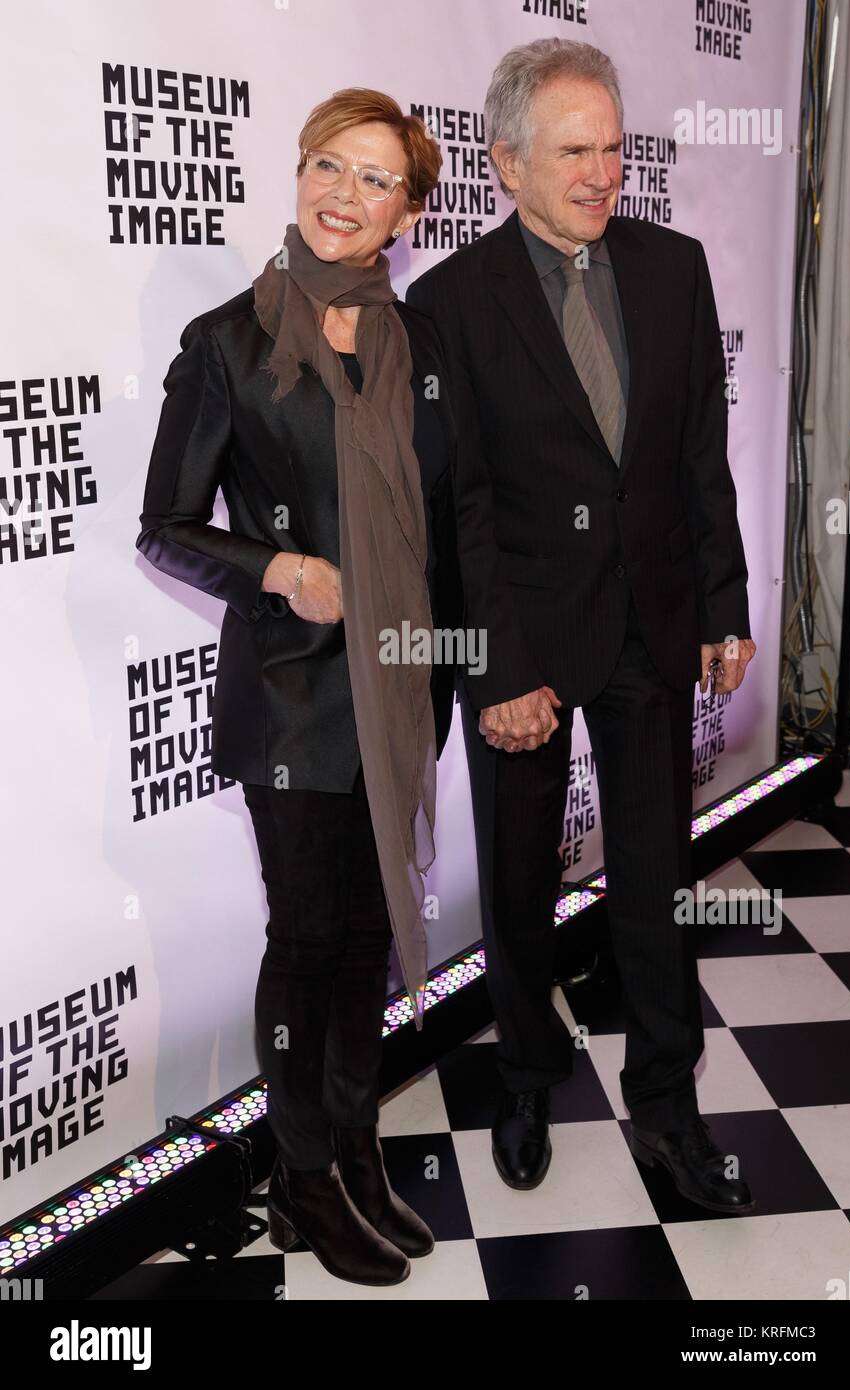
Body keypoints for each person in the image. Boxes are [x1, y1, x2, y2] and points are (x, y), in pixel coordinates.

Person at [407, 38, 758, 1213]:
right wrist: (498, 666)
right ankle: (521, 1076)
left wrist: (723, 603)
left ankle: (666, 1109)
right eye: (575, 152)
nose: (605, 172)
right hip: (521, 644)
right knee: (516, 884)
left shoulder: (676, 266)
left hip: (654, 631)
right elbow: (455, 510)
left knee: (657, 880)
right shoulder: (448, 302)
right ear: (505, 163)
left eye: (612, 147)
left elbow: (697, 453)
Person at [136, 88, 462, 1285]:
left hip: (398, 684)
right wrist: (272, 565)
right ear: (299, 172)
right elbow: (164, 526)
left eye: (375, 180)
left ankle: (354, 1145)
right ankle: (303, 1172)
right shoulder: (228, 341)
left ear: (406, 212)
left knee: (366, 932)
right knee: (309, 933)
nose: (343, 193)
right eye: (329, 164)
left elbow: (451, 521)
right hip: (291, 692)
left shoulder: (418, 344)